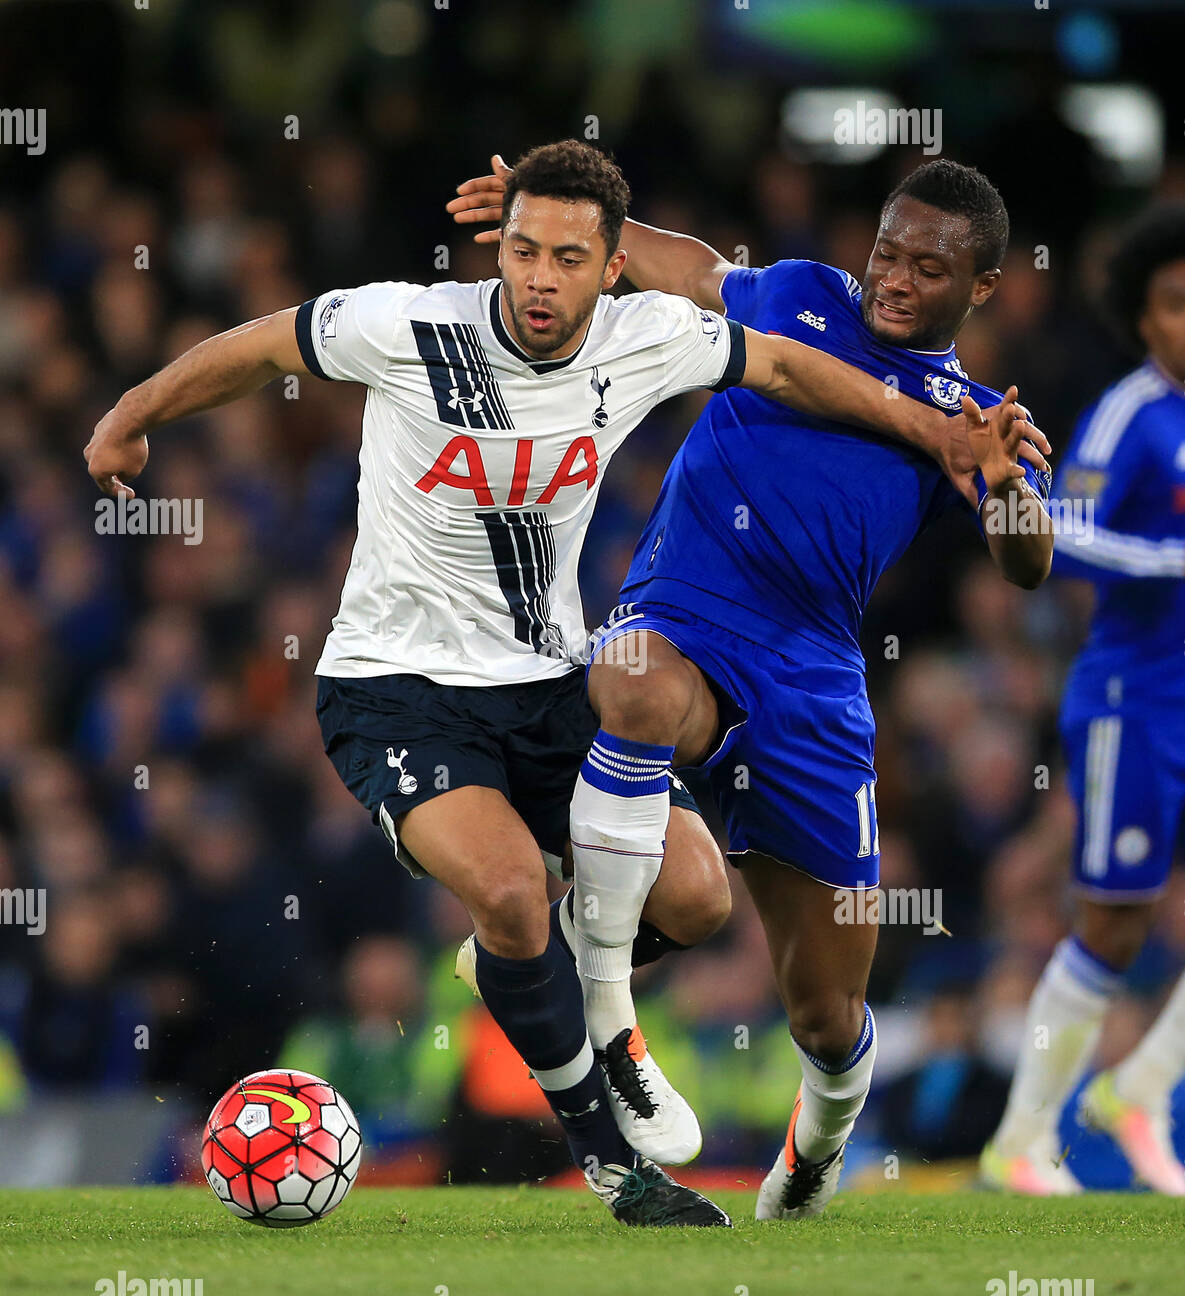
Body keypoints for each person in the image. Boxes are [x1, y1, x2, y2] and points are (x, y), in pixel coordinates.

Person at [85, 139, 988, 1227]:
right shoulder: (410, 325)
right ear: (496, 249)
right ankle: (616, 1159)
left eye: (568, 255)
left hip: (546, 677)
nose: (540, 277)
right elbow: (264, 343)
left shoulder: (647, 337)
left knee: (697, 895)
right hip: (395, 683)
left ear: (613, 266)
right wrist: (133, 411)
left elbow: (790, 368)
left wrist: (933, 428)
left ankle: (551, 978)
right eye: (521, 249)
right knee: (513, 891)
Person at [450, 154, 1053, 1217]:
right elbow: (676, 269)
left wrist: (1008, 490)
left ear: (984, 288)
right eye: (886, 253)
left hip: (813, 680)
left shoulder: (971, 416)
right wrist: (562, 227)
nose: (894, 280)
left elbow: (1028, 563)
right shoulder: (803, 298)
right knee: (630, 686)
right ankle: (604, 1005)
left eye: (927, 267)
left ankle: (818, 1145)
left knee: (825, 1013)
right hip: (682, 612)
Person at [982, 205, 1185, 1196]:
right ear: (1140, 319)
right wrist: (1170, 559)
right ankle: (1022, 1138)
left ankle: (1139, 1087)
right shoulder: (1132, 414)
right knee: (1115, 924)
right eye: (1175, 305)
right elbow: (1058, 525)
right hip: (1134, 701)